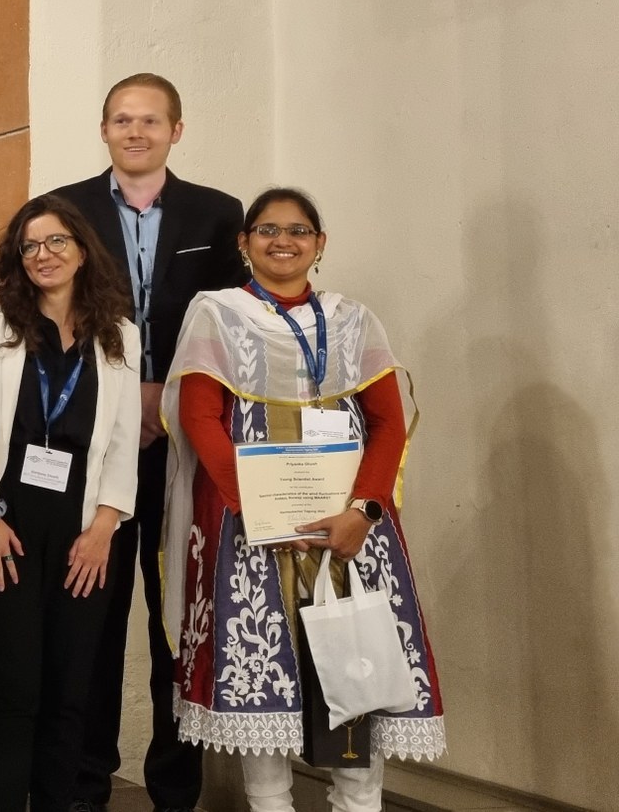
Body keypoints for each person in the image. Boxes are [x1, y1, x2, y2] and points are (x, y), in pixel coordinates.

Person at [161, 188, 445, 812]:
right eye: (267, 229)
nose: (282, 241)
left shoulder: (353, 321)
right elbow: (201, 418)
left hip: (351, 531)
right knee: (265, 685)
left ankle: (359, 803)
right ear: (244, 243)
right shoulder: (217, 315)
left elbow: (388, 424)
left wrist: (363, 511)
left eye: (298, 230)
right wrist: (261, 512)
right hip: (247, 528)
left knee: (358, 672)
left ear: (319, 243)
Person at [50, 73, 240, 812]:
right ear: (104, 129)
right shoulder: (64, 210)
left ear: (176, 130)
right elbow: (49, 322)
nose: (136, 132)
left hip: (182, 445)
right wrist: (121, 395)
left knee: (178, 623)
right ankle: (85, 784)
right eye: (123, 120)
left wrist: (173, 394)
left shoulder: (219, 214)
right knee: (92, 621)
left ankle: (175, 790)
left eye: (151, 120)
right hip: (96, 447)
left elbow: (231, 325)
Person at [0, 194, 141, 812]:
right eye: (30, 245)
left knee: (69, 691)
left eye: (56, 241)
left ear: (83, 250)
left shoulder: (119, 335)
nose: (43, 254)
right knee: (14, 688)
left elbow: (123, 442)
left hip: (85, 530)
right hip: (5, 524)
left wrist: (105, 528)